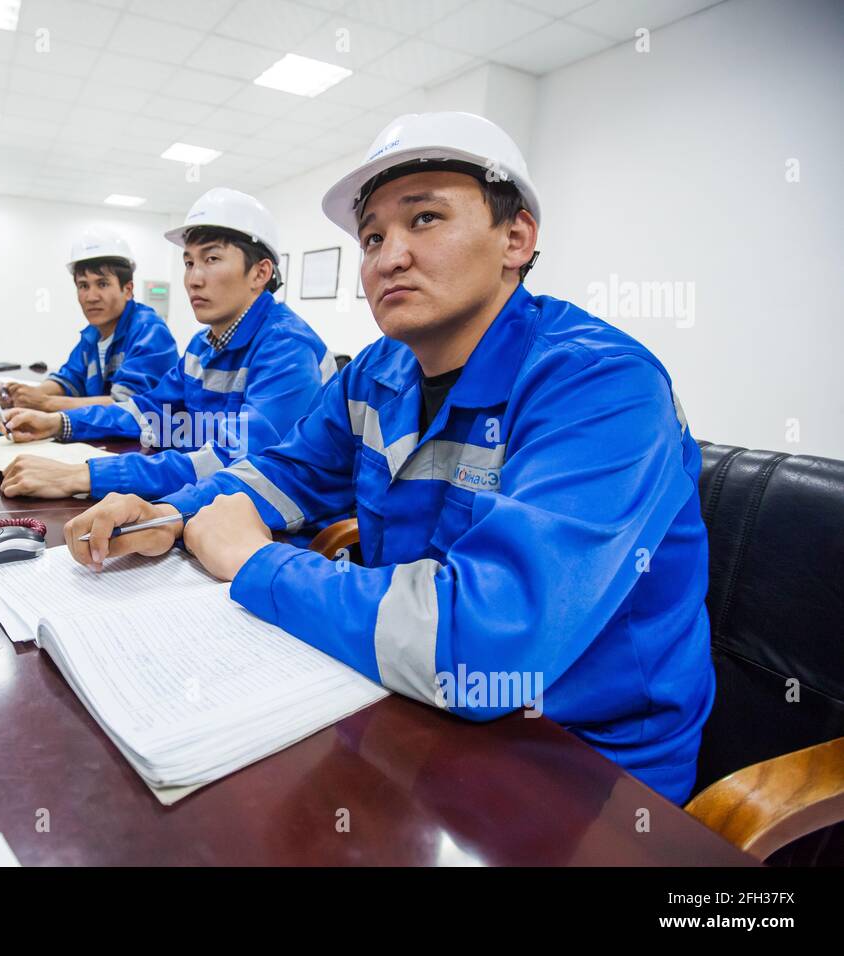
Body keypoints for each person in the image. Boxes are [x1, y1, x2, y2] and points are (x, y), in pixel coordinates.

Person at [61, 112, 716, 805]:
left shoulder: (601, 385)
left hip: (581, 769)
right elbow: (291, 471)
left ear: (516, 239)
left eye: (425, 219)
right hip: (404, 703)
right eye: (372, 236)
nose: (388, 256)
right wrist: (171, 511)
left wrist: (257, 563)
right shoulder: (379, 370)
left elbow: (482, 642)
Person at [0, 187, 336, 501]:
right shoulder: (203, 345)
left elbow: (236, 459)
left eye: (212, 259)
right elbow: (149, 412)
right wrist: (60, 423)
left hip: (285, 525)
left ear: (260, 273)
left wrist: (85, 476)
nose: (194, 278)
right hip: (215, 501)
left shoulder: (287, 348)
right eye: (189, 262)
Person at [3, 229, 177, 413]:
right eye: (83, 285)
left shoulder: (149, 331)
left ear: (127, 290)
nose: (91, 297)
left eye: (102, 284)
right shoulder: (93, 335)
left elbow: (127, 405)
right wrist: (26, 394)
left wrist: (46, 403)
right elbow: (70, 377)